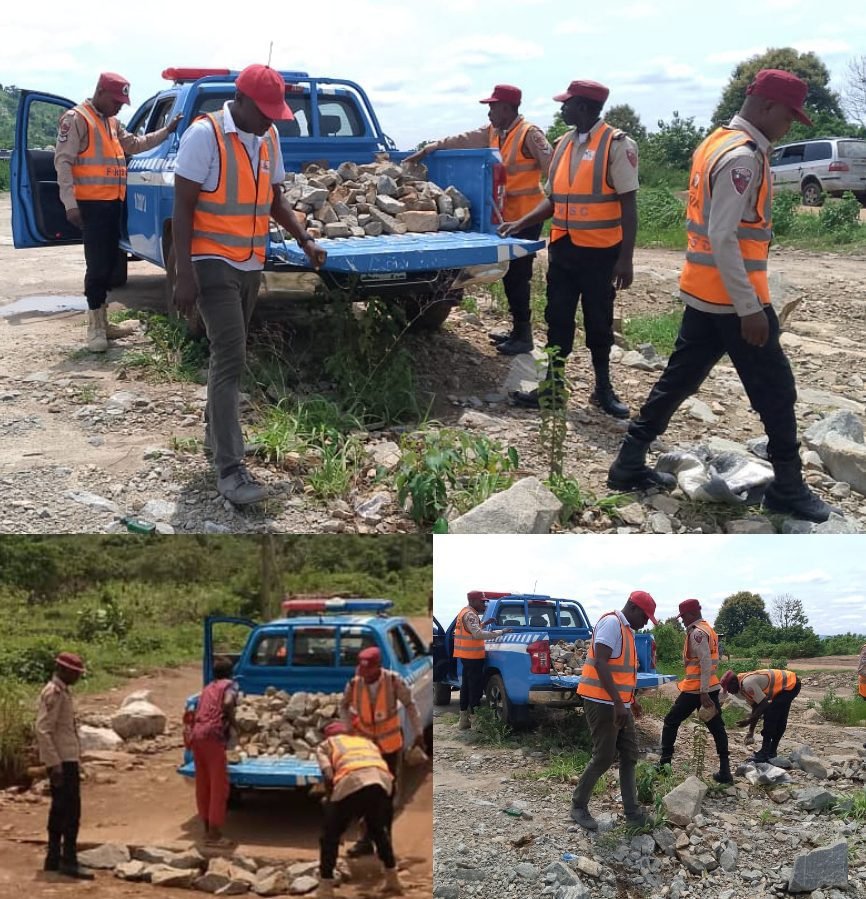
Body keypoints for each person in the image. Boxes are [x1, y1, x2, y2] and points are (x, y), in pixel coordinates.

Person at [607, 69, 837, 523]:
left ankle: (628, 461)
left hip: (703, 293)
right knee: (777, 392)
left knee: (678, 380)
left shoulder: (715, 141)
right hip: (735, 302)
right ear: (768, 107)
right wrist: (751, 308)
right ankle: (789, 488)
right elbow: (723, 236)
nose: (789, 126)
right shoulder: (743, 157)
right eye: (790, 117)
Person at [172, 64, 327, 506]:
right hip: (210, 264)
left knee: (230, 356)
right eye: (264, 111)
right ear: (239, 100)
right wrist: (184, 275)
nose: (270, 120)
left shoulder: (267, 139)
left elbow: (274, 200)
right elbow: (182, 209)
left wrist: (305, 239)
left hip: (249, 263)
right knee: (231, 357)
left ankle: (216, 440)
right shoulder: (205, 136)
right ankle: (230, 469)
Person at [503, 79, 638, 418]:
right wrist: (520, 223)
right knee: (558, 319)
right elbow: (553, 198)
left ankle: (603, 388)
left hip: (600, 253)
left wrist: (626, 259)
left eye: (567, 103)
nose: (561, 108)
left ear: (583, 107)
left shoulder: (617, 144)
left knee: (599, 323)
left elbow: (629, 204)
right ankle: (552, 387)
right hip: (564, 250)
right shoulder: (562, 144)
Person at [405, 85, 552, 355]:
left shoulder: (529, 134)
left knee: (519, 276)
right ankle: (517, 330)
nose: (489, 111)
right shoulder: (494, 131)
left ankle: (523, 335)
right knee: (510, 275)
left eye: (493, 106)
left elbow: (553, 168)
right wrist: (430, 148)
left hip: (527, 216)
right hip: (507, 218)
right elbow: (462, 139)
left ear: (508, 108)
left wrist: (554, 203)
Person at [55, 72, 182, 352]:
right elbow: (63, 162)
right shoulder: (77, 119)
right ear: (100, 91)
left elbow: (135, 145)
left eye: (123, 103)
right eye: (116, 101)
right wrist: (70, 203)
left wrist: (168, 131)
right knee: (97, 266)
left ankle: (105, 322)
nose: (120, 107)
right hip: (91, 206)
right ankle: (95, 328)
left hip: (113, 202)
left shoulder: (111, 121)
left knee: (110, 264)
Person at [571, 590, 658, 830]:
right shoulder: (611, 623)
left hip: (619, 704)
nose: (645, 622)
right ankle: (578, 805)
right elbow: (600, 662)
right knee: (604, 756)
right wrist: (619, 703)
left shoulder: (627, 630)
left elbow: (622, 672)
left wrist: (630, 700)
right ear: (633, 607)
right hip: (601, 702)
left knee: (630, 754)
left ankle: (633, 813)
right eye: (645, 616)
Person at [340, 645, 424, 856]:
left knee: (385, 797)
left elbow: (410, 705)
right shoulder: (354, 683)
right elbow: (343, 706)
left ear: (378, 667)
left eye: (368, 671)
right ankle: (365, 841)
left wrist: (418, 733)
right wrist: (348, 728)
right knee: (363, 795)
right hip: (365, 749)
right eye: (362, 670)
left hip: (388, 748)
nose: (364, 675)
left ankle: (384, 839)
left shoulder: (393, 681)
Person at [315, 721, 403, 898]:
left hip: (352, 780)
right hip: (382, 782)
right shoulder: (365, 742)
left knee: (329, 837)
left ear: (328, 736)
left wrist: (331, 803)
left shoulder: (327, 745)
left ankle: (325, 887)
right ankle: (392, 879)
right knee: (378, 829)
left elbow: (328, 773)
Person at [657, 599, 732, 784]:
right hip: (709, 687)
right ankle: (725, 770)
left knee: (670, 721)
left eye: (683, 617)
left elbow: (705, 661)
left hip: (697, 690)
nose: (682, 621)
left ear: (690, 614)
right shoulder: (708, 629)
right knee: (717, 728)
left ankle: (664, 764)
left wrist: (703, 692)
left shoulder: (696, 632)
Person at [35, 652, 93, 879]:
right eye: (76, 673)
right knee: (70, 811)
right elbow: (43, 729)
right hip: (62, 761)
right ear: (65, 671)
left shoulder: (61, 691)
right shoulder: (55, 693)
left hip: (65, 758)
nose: (78, 677)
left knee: (59, 810)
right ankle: (68, 859)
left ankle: (53, 859)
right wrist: (55, 764)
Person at [188, 656, 238, 847]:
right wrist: (234, 724)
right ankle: (214, 835)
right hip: (213, 735)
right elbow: (227, 703)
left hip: (197, 735)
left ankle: (206, 829)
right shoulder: (230, 686)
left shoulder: (207, 688)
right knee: (219, 785)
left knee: (204, 783)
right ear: (230, 673)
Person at [453, 590, 509, 730]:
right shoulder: (470, 614)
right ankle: (476, 722)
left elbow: (470, 630)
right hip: (473, 658)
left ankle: (464, 720)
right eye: (481, 601)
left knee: (465, 687)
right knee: (475, 689)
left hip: (465, 656)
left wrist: (484, 623)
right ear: (473, 601)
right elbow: (477, 634)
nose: (484, 604)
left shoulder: (464, 612)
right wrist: (499, 632)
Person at [721, 667, 801, 762]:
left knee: (771, 715)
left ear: (733, 682)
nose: (729, 692)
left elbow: (764, 704)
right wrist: (751, 732)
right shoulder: (742, 688)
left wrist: (748, 721)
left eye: (729, 688)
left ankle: (765, 753)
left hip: (790, 684)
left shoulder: (747, 684)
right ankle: (771, 752)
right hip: (789, 684)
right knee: (778, 717)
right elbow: (756, 707)